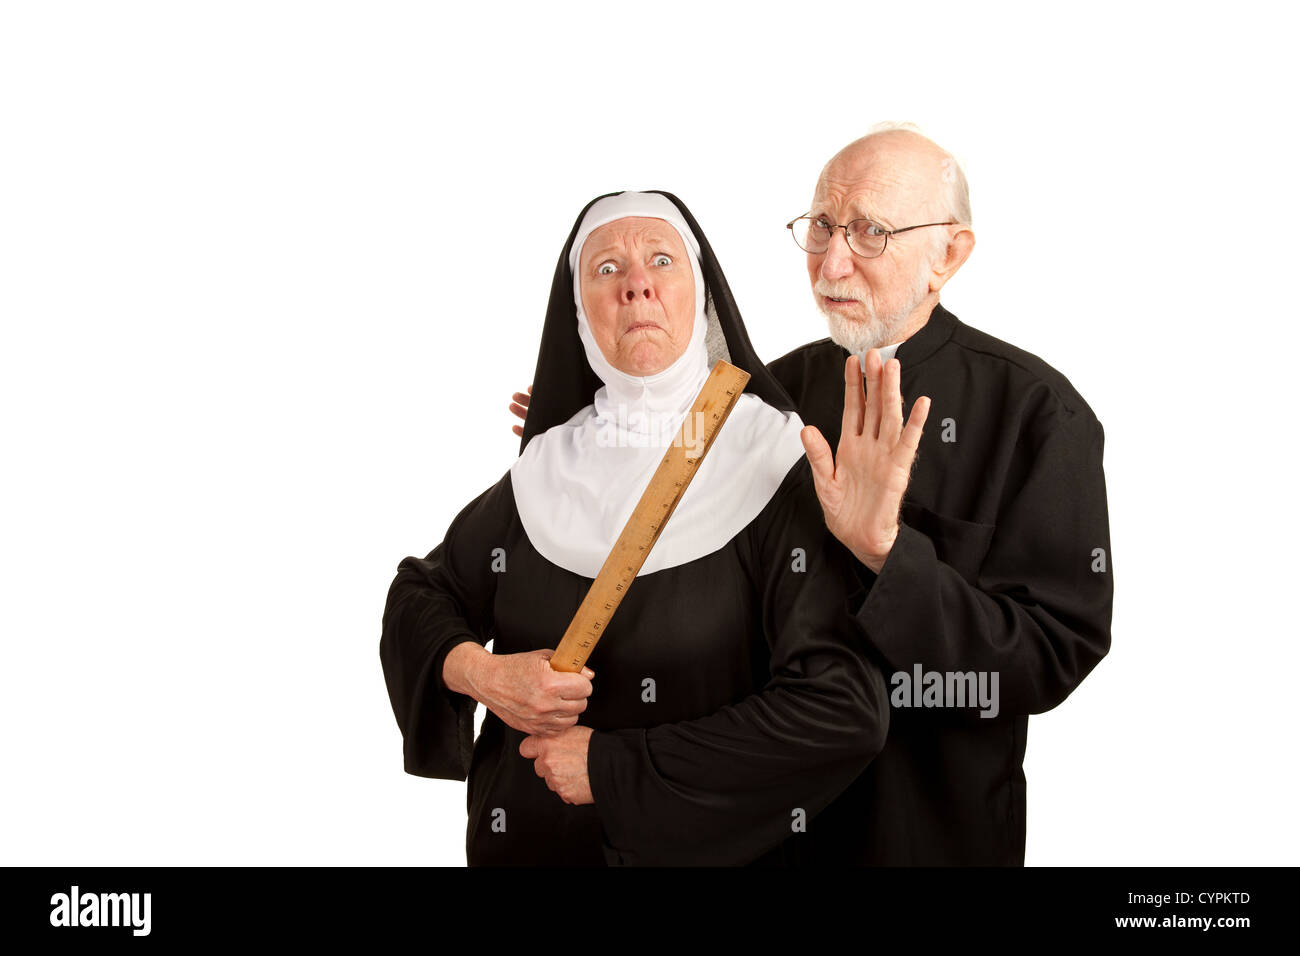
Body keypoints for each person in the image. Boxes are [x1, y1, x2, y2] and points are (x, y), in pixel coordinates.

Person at [511, 127, 1114, 865]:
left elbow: (1051, 656)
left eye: (870, 232)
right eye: (822, 227)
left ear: (948, 256)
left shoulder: (1037, 413)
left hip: (927, 836)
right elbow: (666, 559)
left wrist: (887, 555)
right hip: (744, 835)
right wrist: (608, 422)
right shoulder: (765, 397)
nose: (831, 261)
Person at [381, 190, 896, 867]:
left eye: (661, 260)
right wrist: (480, 673)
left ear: (702, 294)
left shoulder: (774, 465)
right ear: (578, 314)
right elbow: (419, 595)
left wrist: (614, 767)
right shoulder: (546, 466)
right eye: (606, 269)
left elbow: (840, 712)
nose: (637, 285)